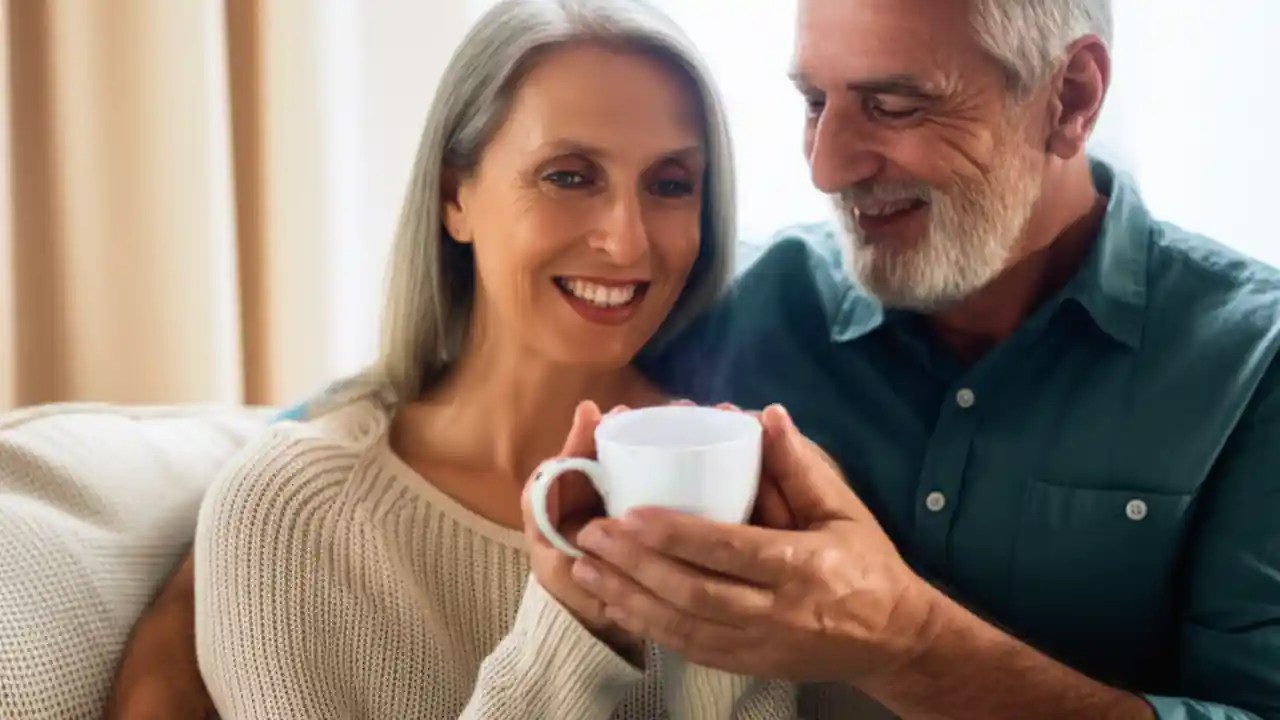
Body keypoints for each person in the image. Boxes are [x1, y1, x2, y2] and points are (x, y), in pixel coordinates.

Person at [566, 0, 1280, 718]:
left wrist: (904, 643)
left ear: (1071, 97)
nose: (828, 167)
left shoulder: (1254, 365)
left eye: (895, 105)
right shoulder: (755, 307)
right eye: (815, 101)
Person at [106, 0, 800, 717]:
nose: (628, 242)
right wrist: (569, 631)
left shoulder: (733, 485)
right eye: (569, 176)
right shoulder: (292, 511)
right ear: (453, 198)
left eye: (669, 184)